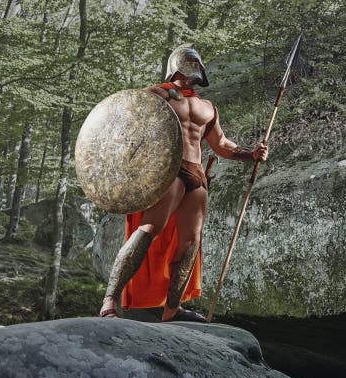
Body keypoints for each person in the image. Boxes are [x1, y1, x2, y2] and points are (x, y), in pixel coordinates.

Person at [98, 44, 267, 322]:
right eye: (188, 64)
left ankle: (172, 309)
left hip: (196, 175)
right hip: (169, 170)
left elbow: (221, 144)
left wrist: (250, 154)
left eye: (196, 65)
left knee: (190, 242)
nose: (193, 71)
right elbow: (125, 128)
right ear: (177, 66)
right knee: (150, 228)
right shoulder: (157, 95)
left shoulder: (207, 107)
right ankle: (109, 301)